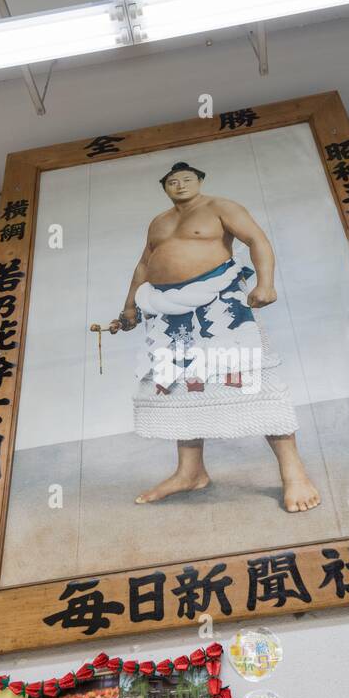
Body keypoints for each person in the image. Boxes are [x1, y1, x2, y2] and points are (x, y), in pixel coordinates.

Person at [108, 161, 321, 513]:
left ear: (201, 181)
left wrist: (265, 283)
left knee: (253, 378)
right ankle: (190, 471)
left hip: (220, 301)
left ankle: (293, 472)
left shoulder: (222, 208)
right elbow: (144, 265)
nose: (180, 185)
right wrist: (129, 306)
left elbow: (257, 239)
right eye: (172, 181)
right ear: (165, 187)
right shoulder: (159, 222)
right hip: (163, 309)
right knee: (178, 385)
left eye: (187, 179)